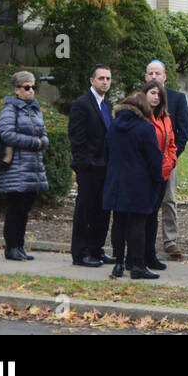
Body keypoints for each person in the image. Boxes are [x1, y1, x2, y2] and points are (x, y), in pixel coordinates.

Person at [103, 92, 164, 280]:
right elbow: (154, 159)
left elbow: (107, 151)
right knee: (138, 224)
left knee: (119, 223)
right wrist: (158, 180)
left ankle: (119, 262)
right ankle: (137, 265)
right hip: (139, 182)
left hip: (116, 181)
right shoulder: (145, 128)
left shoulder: (114, 126)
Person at [0, 71, 49, 261]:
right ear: (17, 90)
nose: (31, 91)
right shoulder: (10, 109)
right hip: (15, 168)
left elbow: (44, 133)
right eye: (27, 87)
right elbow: (7, 134)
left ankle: (19, 245)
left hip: (32, 168)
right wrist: (34, 142)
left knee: (25, 209)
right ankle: (11, 247)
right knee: (15, 209)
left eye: (33, 87)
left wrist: (42, 141)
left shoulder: (35, 109)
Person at [68, 64, 115, 268]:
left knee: (102, 211)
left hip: (105, 167)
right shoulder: (82, 104)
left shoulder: (107, 105)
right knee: (85, 209)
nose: (105, 82)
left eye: (108, 79)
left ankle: (97, 248)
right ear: (92, 80)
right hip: (89, 167)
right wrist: (84, 164)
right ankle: (81, 251)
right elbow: (77, 138)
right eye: (101, 78)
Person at [145, 61, 188, 261]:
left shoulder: (177, 99)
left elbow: (184, 131)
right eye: (150, 73)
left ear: (165, 76)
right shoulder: (139, 98)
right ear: (146, 77)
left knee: (168, 200)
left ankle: (170, 241)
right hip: (143, 163)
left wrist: (172, 157)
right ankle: (144, 241)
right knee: (143, 200)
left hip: (167, 161)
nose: (153, 76)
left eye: (157, 73)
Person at [138, 80, 177, 271]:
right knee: (141, 216)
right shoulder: (140, 118)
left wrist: (171, 163)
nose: (155, 97)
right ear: (144, 94)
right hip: (144, 174)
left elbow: (171, 144)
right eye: (152, 93)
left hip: (162, 174)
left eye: (158, 94)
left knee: (153, 216)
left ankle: (150, 254)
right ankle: (138, 256)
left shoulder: (165, 118)